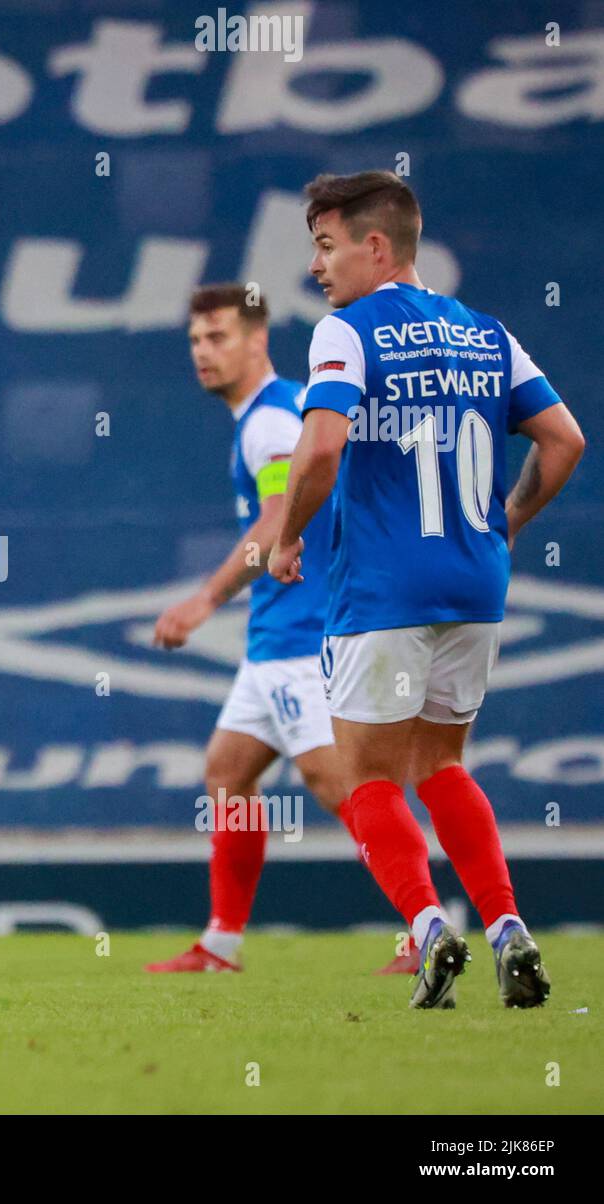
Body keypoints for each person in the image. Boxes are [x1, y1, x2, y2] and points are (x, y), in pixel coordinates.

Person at [268, 171, 584, 1009]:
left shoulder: (345, 332)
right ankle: (509, 926)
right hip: (477, 584)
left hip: (382, 589)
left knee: (367, 777)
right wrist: (507, 523)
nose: (315, 267)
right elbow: (564, 440)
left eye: (327, 246)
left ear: (378, 248)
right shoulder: (488, 334)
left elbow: (323, 448)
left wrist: (289, 532)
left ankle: (429, 926)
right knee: (443, 763)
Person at [147, 285, 412, 974]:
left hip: (303, 637)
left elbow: (274, 522)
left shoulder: (269, 421)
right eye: (197, 341)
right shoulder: (277, 410)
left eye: (220, 338)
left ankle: (425, 924)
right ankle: (222, 943)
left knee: (337, 784)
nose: (204, 353)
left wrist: (204, 602)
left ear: (257, 341)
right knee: (227, 774)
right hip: (274, 643)